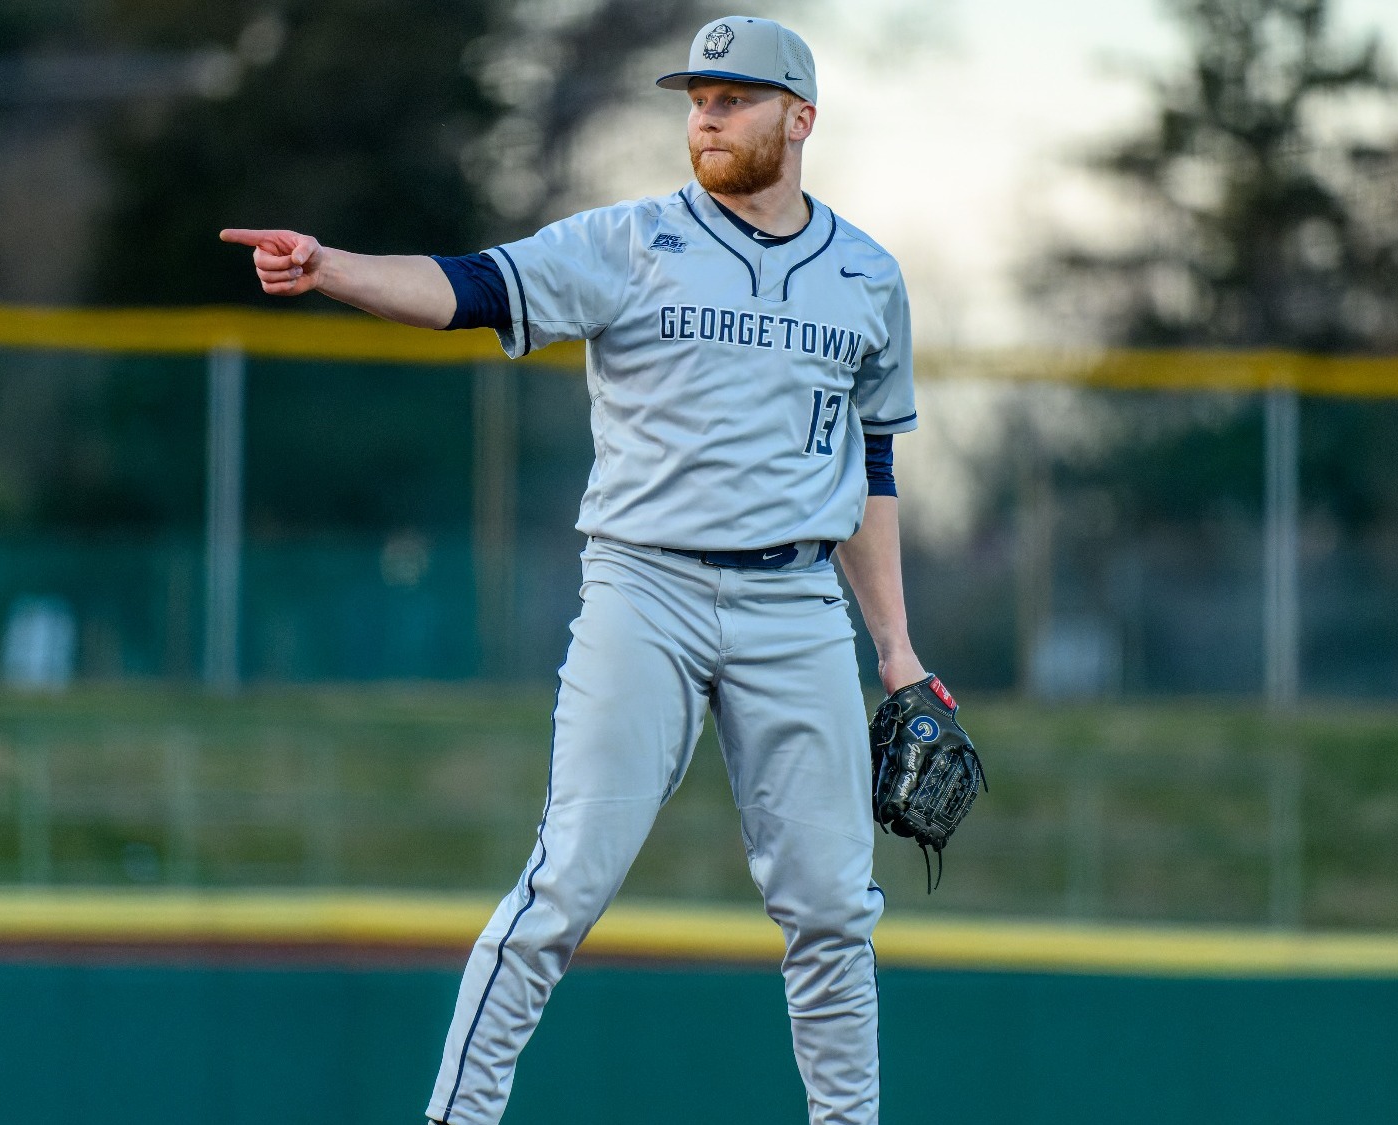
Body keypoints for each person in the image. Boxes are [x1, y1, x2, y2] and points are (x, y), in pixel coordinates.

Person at [223, 16, 958, 1125]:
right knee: (564, 883)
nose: (704, 116)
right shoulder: (628, 241)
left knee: (831, 912)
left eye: (732, 98)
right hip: (644, 591)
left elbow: (870, 466)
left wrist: (895, 653)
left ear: (798, 119)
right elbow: (467, 286)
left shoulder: (864, 275)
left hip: (796, 603)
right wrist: (331, 268)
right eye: (695, 99)